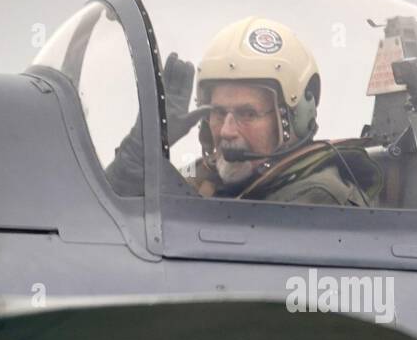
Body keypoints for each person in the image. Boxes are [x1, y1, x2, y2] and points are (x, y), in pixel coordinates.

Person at [108, 17, 371, 206]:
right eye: (218, 112)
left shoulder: (317, 199)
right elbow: (103, 222)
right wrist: (136, 156)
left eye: (248, 114)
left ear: (294, 120)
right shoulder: (208, 178)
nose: (226, 131)